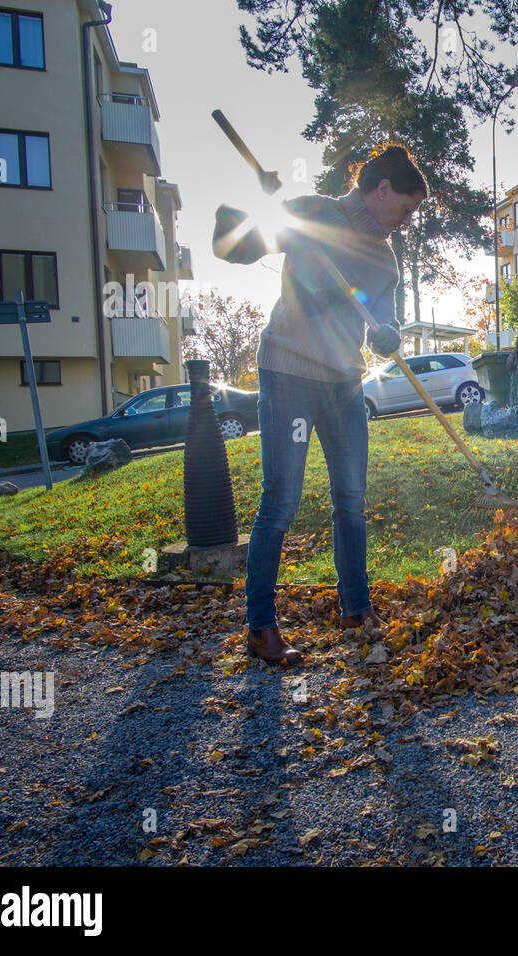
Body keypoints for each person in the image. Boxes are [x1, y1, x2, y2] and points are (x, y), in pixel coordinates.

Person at [212, 144, 429, 664]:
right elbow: (235, 249)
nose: (407, 219)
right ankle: (260, 626)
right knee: (281, 501)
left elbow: (381, 319)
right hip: (289, 369)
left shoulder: (384, 256)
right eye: (405, 206)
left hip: (344, 382)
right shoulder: (314, 213)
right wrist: (253, 208)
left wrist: (387, 333)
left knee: (350, 499)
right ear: (381, 190)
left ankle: (356, 607)